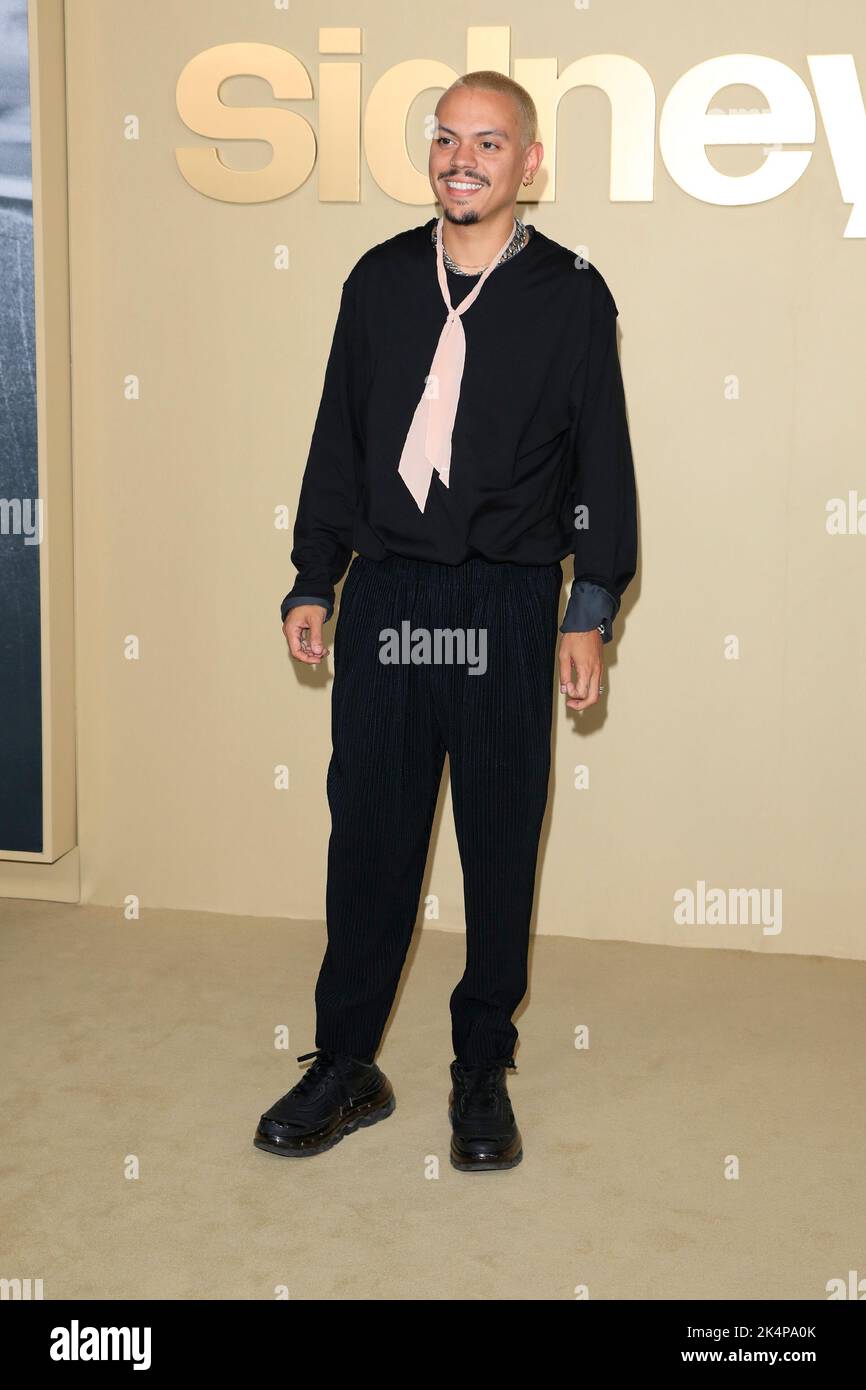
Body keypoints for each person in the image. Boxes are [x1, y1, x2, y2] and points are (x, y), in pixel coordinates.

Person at [254, 71, 637, 1171]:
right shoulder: (379, 280)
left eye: (489, 141)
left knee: (499, 840)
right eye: (447, 138)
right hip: (389, 596)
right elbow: (337, 440)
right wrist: (313, 579)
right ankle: (346, 1063)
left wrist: (589, 605)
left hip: (505, 600)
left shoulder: (571, 295)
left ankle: (480, 1067)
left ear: (529, 162)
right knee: (369, 836)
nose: (462, 159)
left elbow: (600, 459)